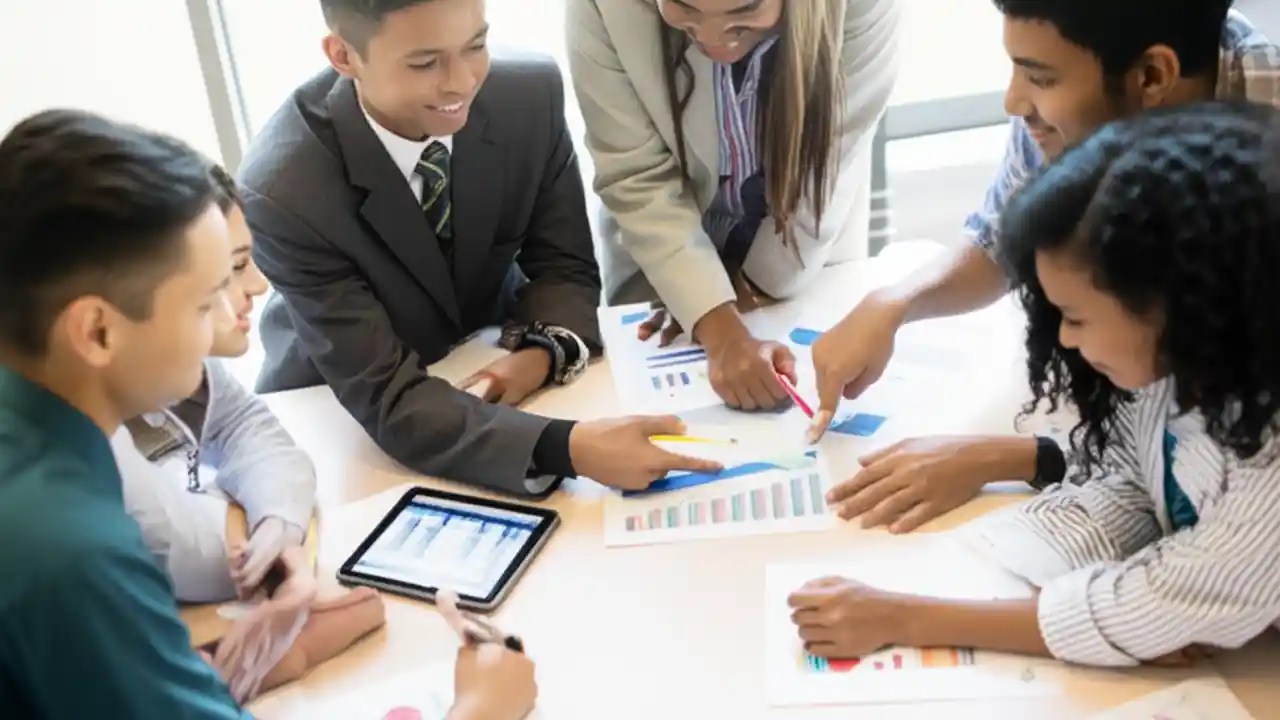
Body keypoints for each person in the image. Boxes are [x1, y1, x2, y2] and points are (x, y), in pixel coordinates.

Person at [0, 110, 537, 720]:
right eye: (205, 302)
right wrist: (483, 709)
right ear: (97, 330)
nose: (225, 317)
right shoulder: (67, 550)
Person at [789, 103, 1280, 667]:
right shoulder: (1169, 378)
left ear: (1179, 308)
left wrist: (901, 616)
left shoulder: (1268, 470)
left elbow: (1152, 605)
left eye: (1075, 318)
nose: (1065, 343)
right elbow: (1128, 479)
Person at [812, 0, 1280, 533]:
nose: (1015, 101)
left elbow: (1199, 568)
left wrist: (911, 620)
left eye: (1039, 77)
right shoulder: (1073, 113)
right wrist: (895, 302)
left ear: (1152, 76)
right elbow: (1000, 241)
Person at [242, 0, 720, 496]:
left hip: (483, 357)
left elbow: (564, 267)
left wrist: (538, 358)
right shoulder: (283, 191)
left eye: (475, 46)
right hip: (334, 410)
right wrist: (569, 447)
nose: (462, 81)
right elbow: (388, 400)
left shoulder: (526, 96)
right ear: (342, 55)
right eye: (425, 63)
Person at [567, 0, 899, 411]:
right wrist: (709, 315)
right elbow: (637, 176)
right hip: (661, 262)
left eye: (744, 11)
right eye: (683, 7)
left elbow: (829, 161)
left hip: (801, 255)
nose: (710, 38)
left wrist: (737, 312)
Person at [115, 164, 316, 603]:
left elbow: (246, 427)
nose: (259, 285)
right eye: (233, 268)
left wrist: (278, 521)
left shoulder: (177, 359)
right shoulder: (80, 436)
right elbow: (203, 559)